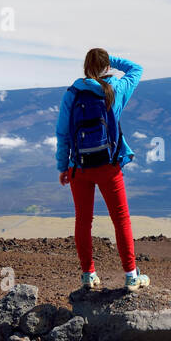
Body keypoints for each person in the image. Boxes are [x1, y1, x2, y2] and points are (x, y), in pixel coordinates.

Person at [55, 48, 149, 291]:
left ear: (85, 67)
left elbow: (63, 133)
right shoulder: (116, 89)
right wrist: (111, 60)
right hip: (109, 166)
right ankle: (130, 276)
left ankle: (88, 275)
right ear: (107, 66)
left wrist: (63, 166)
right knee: (121, 220)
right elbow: (136, 68)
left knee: (83, 221)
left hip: (79, 168)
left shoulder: (73, 93)